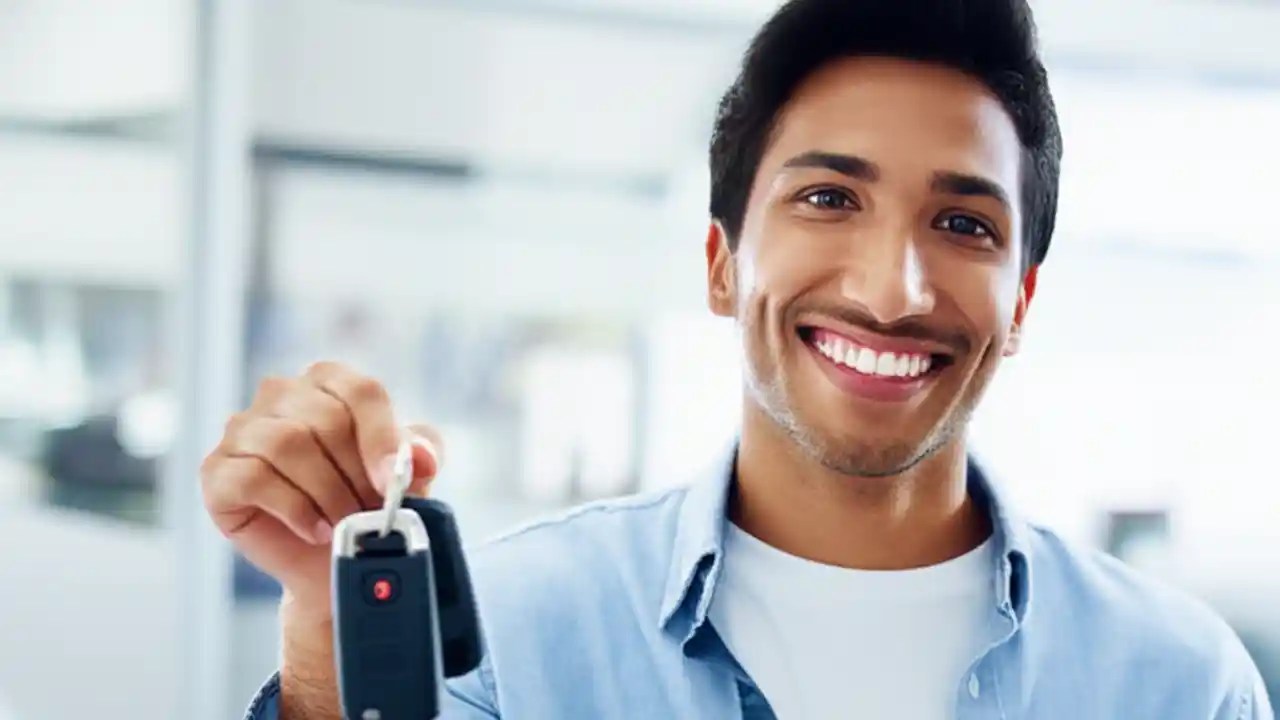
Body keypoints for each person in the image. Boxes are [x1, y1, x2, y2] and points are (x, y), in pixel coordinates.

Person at [206, 1, 1274, 718]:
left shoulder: (1180, 686)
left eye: (964, 224)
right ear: (721, 265)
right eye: (828, 199)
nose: (891, 292)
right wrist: (326, 643)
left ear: (1021, 302)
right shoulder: (506, 636)